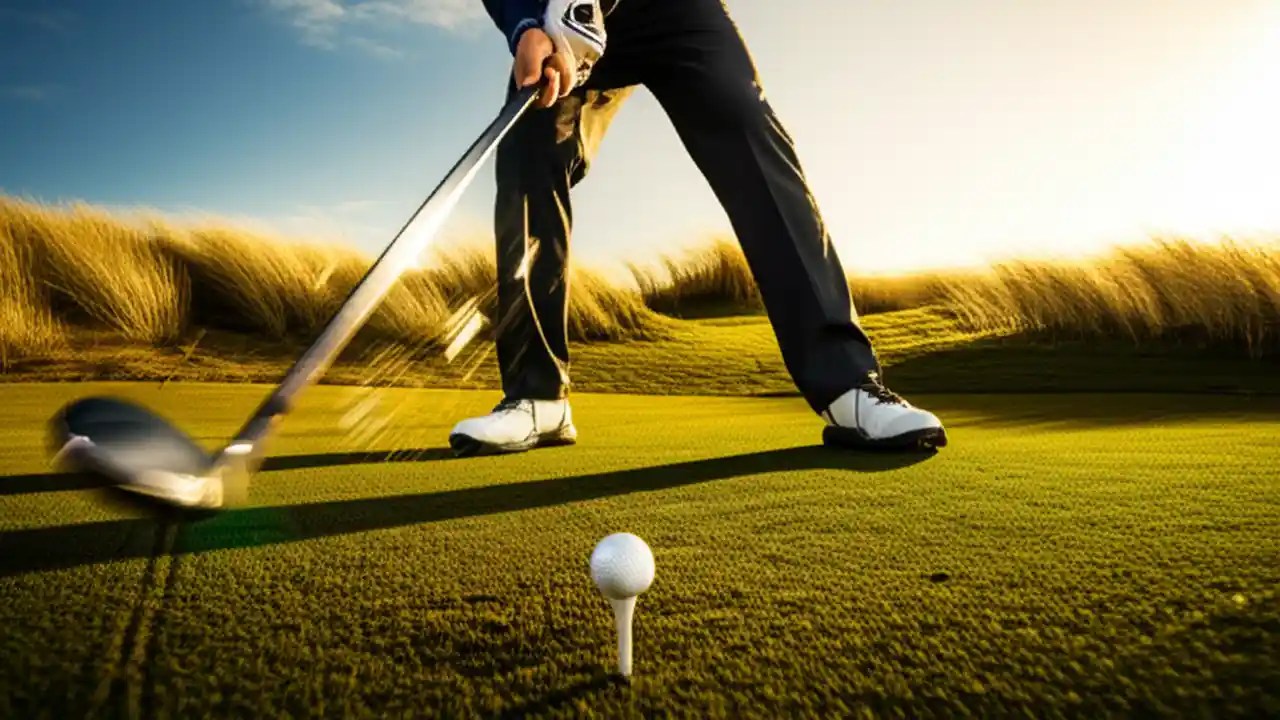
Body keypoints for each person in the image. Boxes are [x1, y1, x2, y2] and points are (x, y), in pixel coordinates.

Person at [452, 0, 947, 456]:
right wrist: (525, 26)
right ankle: (537, 399)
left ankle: (847, 385)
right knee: (526, 154)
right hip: (564, 20)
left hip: (678, 12)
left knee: (747, 128)